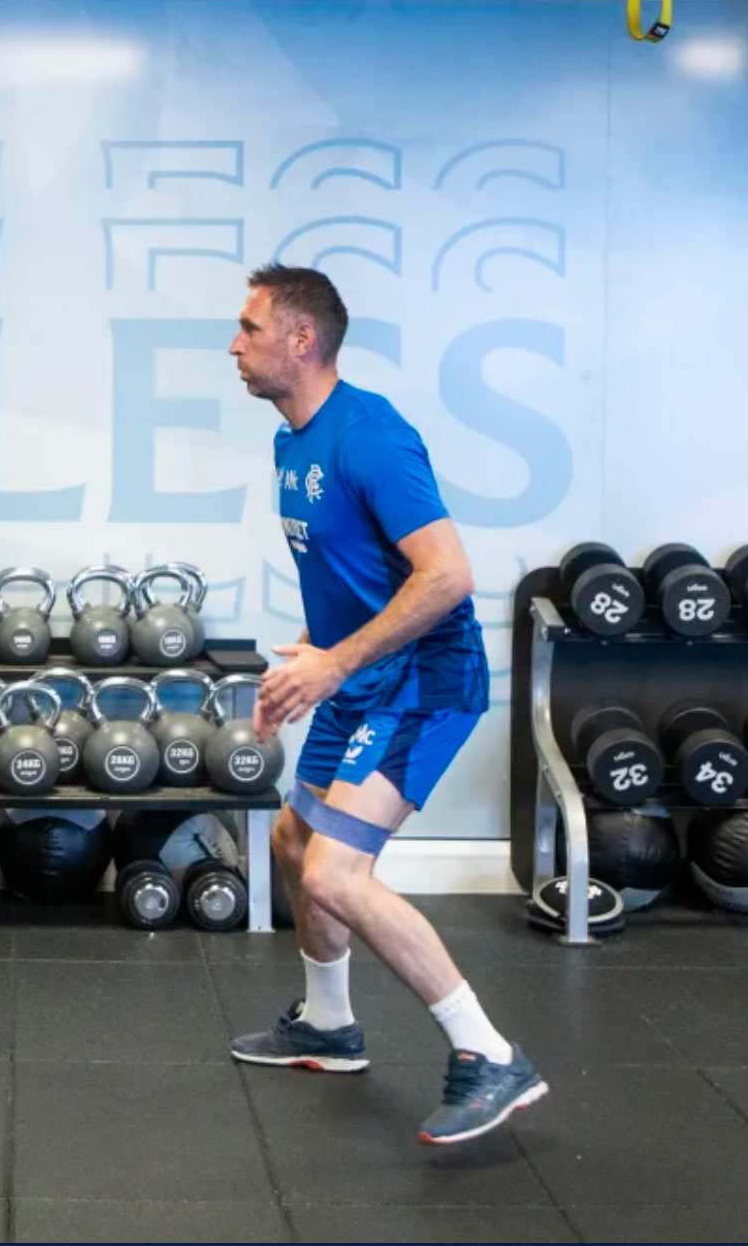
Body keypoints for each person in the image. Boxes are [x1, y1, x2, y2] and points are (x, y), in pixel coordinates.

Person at [223, 264, 546, 1145]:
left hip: (422, 682)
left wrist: (336, 665)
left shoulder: (372, 437)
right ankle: (328, 1026)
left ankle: (489, 1054)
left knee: (334, 873)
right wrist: (306, 665)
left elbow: (447, 577)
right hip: (356, 678)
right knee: (294, 841)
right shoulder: (292, 441)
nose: (234, 345)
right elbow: (358, 578)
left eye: (250, 329)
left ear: (302, 340)